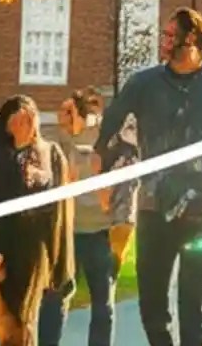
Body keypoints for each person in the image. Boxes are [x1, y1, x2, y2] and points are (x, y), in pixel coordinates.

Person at [95, 6, 202, 346]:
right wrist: (104, 171)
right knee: (152, 307)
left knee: (193, 309)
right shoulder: (144, 83)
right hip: (154, 210)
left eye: (171, 35)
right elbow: (112, 123)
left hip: (201, 213)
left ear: (192, 39)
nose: (164, 41)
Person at [38, 89, 139, 346]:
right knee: (54, 297)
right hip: (67, 233)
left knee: (103, 304)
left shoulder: (105, 140)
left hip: (100, 233)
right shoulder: (58, 141)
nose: (61, 116)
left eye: (68, 111)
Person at [0, 95, 75, 346]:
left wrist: (61, 263)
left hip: (46, 252)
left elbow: (59, 208)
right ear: (6, 126)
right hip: (11, 253)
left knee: (48, 333)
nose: (26, 123)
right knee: (16, 331)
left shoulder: (51, 153)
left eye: (30, 117)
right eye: (18, 120)